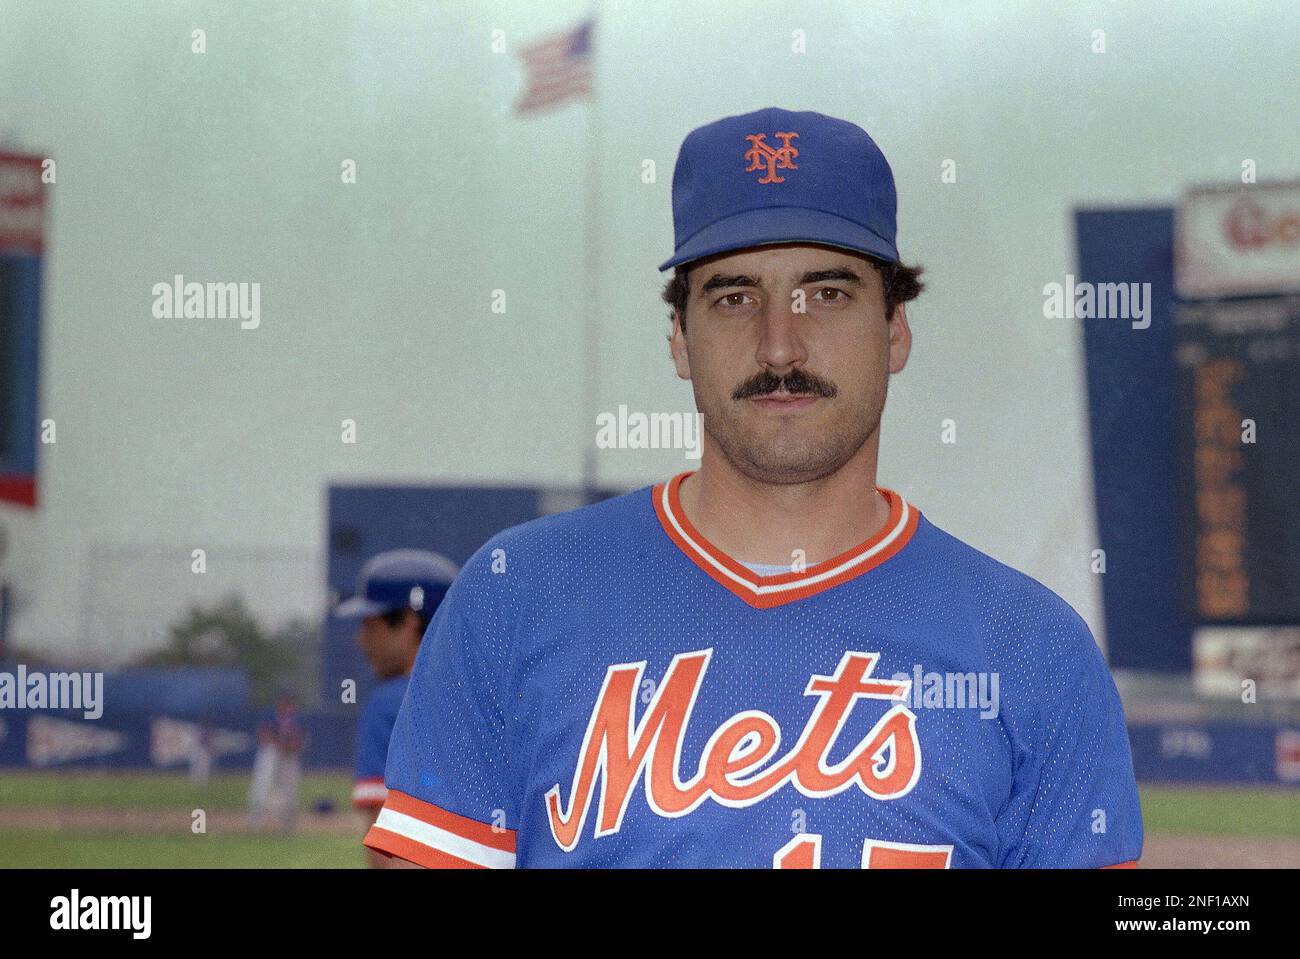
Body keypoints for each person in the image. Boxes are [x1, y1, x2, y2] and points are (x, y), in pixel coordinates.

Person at [364, 107, 1144, 868]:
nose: (780, 343)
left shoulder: (1034, 651)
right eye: (735, 296)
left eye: (829, 293)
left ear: (896, 329)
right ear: (679, 338)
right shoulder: (517, 596)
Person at [336, 549, 458, 867]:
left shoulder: (389, 705)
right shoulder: (494, 700)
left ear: (408, 623)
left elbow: (384, 846)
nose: (361, 641)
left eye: (370, 625)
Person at [248, 691, 308, 832]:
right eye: (285, 703)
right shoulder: (270, 716)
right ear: (280, 704)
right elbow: (263, 736)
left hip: (289, 758)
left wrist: (289, 745)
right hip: (271, 755)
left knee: (290, 791)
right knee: (262, 788)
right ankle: (256, 824)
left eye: (290, 703)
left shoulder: (298, 720)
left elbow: (300, 741)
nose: (288, 706)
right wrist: (281, 743)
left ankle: (287, 826)